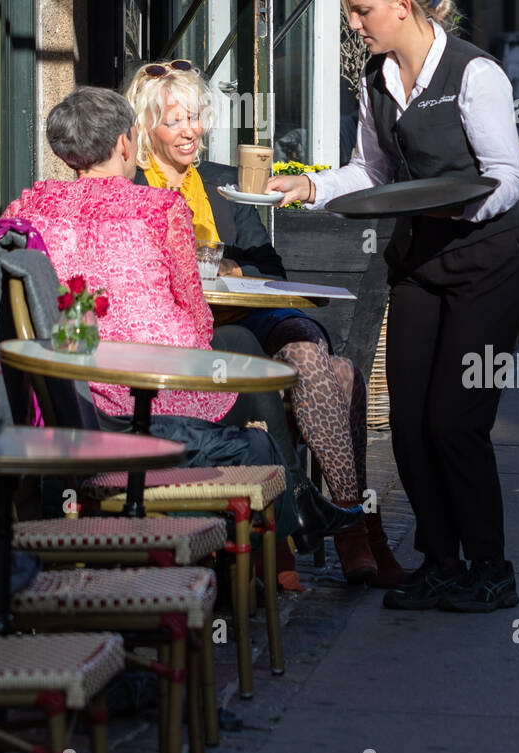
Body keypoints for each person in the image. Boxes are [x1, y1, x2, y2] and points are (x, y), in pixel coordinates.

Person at [267, 0, 519, 613]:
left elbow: (508, 178)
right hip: (416, 265)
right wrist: (311, 188)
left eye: (361, 12)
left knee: (456, 422)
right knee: (410, 424)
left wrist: (453, 204)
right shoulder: (375, 80)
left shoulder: (476, 76)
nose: (355, 26)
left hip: (485, 267)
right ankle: (440, 563)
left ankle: (489, 570)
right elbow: (374, 175)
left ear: (401, 5)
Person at [1, 85, 359, 551]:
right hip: (150, 398)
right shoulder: (159, 208)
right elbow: (195, 322)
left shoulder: (29, 208)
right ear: (126, 144)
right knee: (249, 366)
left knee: (247, 352)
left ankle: (296, 510)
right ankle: (290, 510)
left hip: (74, 393)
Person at [124, 61, 406, 588]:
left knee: (307, 350)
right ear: (146, 128)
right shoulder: (137, 191)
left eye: (195, 118)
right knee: (342, 374)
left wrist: (234, 269)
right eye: (174, 120)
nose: (190, 131)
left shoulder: (223, 184)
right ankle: (354, 529)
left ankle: (339, 521)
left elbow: (270, 270)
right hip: (201, 331)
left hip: (253, 313)